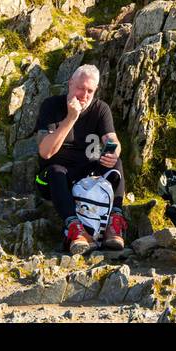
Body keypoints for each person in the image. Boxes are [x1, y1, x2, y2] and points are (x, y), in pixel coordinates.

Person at [32, 64, 127, 254]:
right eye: (80, 88)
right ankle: (75, 229)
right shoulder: (51, 106)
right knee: (55, 171)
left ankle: (114, 223)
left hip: (86, 173)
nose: (84, 95)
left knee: (116, 163)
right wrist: (71, 118)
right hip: (54, 177)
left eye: (90, 91)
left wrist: (113, 150)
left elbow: (112, 139)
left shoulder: (100, 109)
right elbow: (45, 152)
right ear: (70, 84)